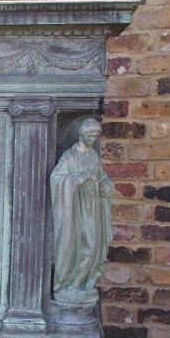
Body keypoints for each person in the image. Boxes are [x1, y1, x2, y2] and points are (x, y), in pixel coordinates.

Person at [50, 119, 112, 305]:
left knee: (93, 246)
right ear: (82, 134)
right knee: (82, 245)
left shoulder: (93, 155)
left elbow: (101, 176)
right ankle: (72, 283)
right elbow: (57, 178)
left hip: (93, 207)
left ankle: (81, 283)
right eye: (90, 135)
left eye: (95, 135)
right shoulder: (70, 156)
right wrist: (76, 180)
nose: (93, 138)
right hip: (76, 209)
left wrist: (106, 185)